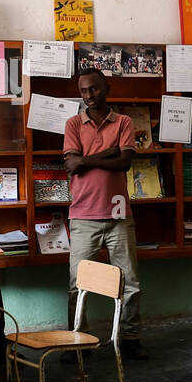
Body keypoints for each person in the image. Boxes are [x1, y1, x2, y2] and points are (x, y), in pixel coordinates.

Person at [61, 69, 148, 360]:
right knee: (77, 284)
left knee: (130, 282)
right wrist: (104, 154)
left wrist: (87, 159)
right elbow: (73, 166)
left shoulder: (123, 121)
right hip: (83, 215)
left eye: (94, 89)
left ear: (106, 88)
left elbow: (124, 162)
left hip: (119, 214)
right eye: (84, 91)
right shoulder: (73, 123)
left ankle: (130, 338)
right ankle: (77, 341)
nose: (89, 95)